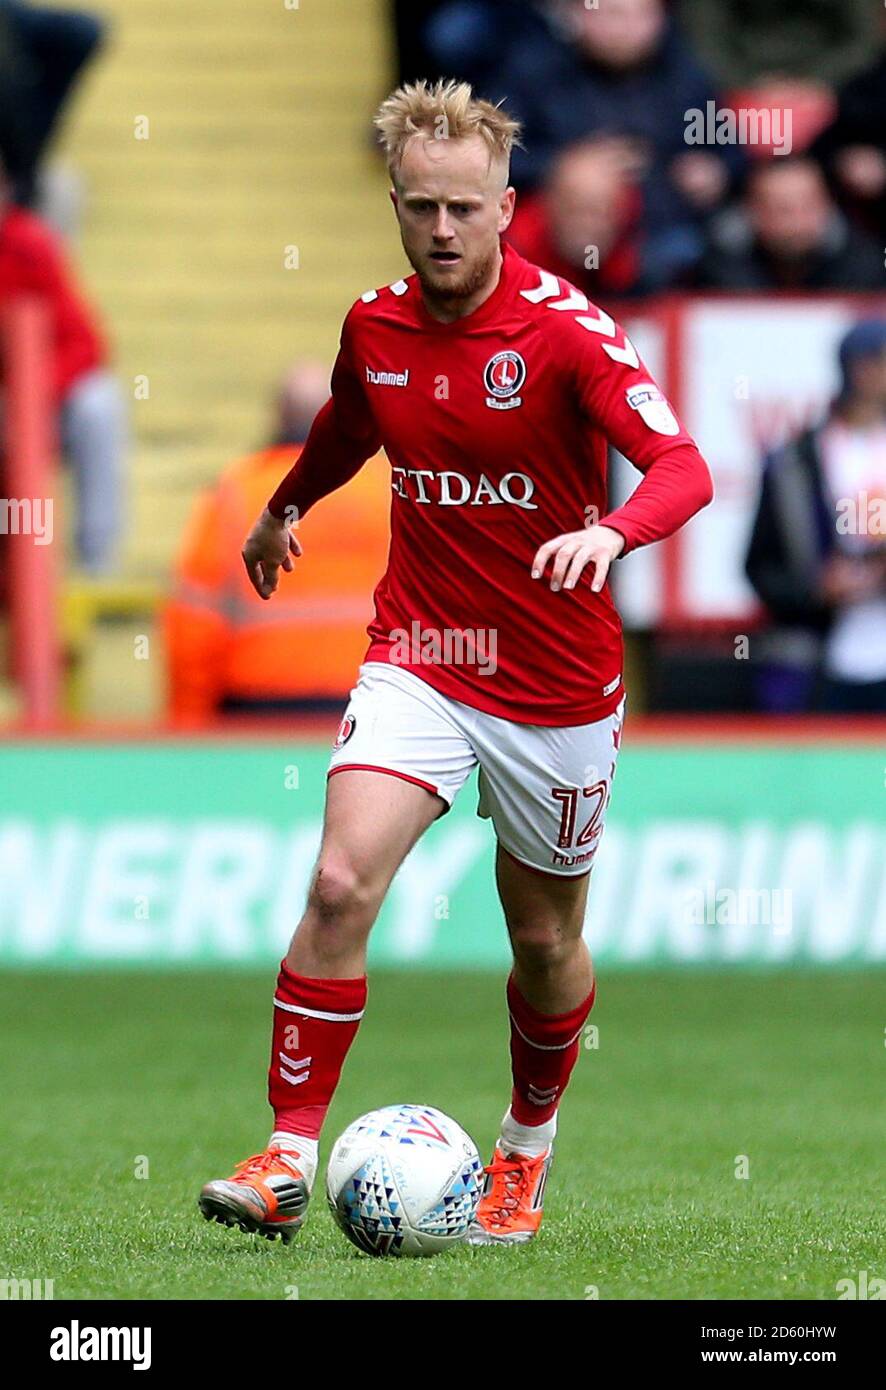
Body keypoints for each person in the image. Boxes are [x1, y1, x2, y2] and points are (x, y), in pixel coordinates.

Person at [198, 79, 712, 1247]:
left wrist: (610, 530)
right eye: (421, 207)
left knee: (541, 941)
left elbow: (683, 468)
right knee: (338, 885)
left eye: (464, 209)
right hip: (422, 656)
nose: (441, 230)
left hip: (556, 688)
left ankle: (523, 1154)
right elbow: (347, 420)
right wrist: (285, 506)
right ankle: (285, 1155)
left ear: (505, 206)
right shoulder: (373, 325)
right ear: (394, 202)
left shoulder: (563, 331)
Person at [164, 364, 391, 722]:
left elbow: (195, 619)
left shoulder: (237, 491)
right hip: (370, 699)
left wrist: (190, 723)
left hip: (256, 708)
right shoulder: (388, 488)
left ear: (279, 416)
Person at [746, 320, 886, 714]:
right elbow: (759, 566)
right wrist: (815, 590)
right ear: (863, 369)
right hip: (817, 665)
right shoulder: (795, 460)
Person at [0, 154, 125, 571]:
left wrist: (29, 395)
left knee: (100, 404)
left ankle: (96, 564)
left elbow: (86, 344)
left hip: (33, 405)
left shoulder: (29, 246)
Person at [697, 156, 886, 291]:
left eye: (807, 207)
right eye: (782, 209)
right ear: (752, 212)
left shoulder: (866, 266)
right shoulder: (717, 269)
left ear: (828, 206)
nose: (797, 222)